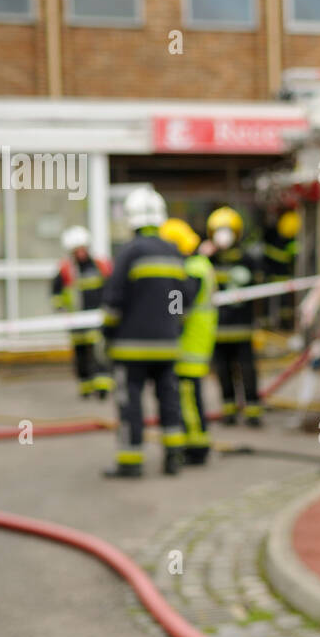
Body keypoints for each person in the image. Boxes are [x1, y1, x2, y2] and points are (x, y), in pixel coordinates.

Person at [100, 187, 190, 478]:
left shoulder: (129, 252)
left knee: (131, 404)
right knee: (170, 401)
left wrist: (107, 336)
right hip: (167, 346)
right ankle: (174, 455)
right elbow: (181, 298)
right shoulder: (174, 251)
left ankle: (131, 462)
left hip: (131, 349)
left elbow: (114, 300)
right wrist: (171, 326)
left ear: (132, 220)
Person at [160, 218, 217, 466]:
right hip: (197, 341)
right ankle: (197, 443)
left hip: (189, 345)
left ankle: (196, 448)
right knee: (190, 396)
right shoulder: (200, 264)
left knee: (187, 398)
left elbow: (180, 307)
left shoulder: (193, 269)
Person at [205, 206, 264, 427]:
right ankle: (228, 410)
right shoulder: (208, 260)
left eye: (227, 230)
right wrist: (201, 255)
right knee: (223, 371)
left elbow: (259, 286)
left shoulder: (246, 258)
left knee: (247, 370)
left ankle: (253, 411)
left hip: (241, 327)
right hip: (218, 328)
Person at [51, 226, 114, 399]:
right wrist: (61, 308)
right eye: (76, 250)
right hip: (76, 322)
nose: (80, 253)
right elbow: (56, 292)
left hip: (97, 319)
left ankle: (102, 388)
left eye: (82, 249)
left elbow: (110, 287)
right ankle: (85, 387)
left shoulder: (100, 266)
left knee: (99, 353)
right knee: (81, 356)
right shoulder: (66, 270)